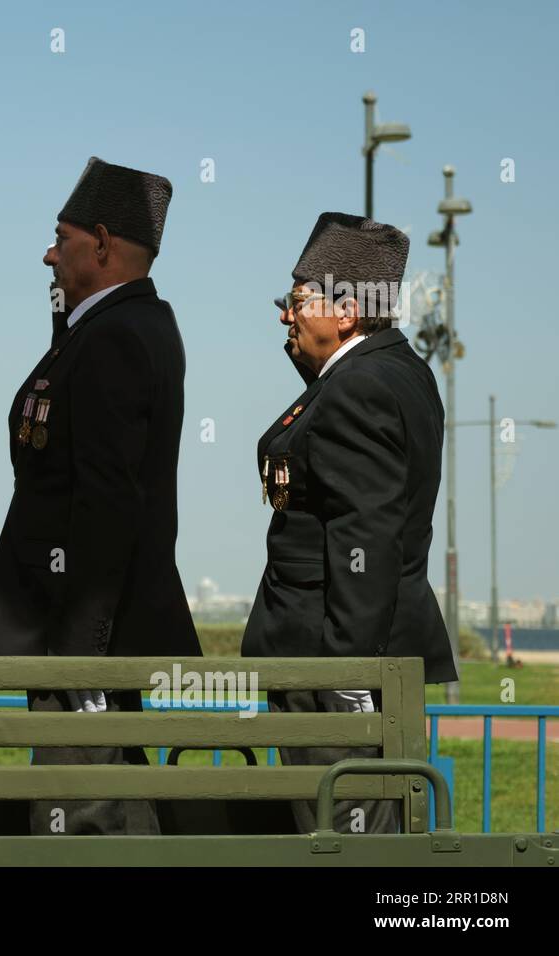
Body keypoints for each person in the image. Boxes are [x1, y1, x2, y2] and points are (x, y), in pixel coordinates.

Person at [0, 158, 201, 836]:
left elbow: (107, 505)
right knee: (109, 804)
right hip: (80, 634)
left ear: (101, 243)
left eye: (60, 236)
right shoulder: (104, 330)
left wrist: (78, 653)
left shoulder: (117, 338)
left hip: (80, 636)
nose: (48, 252)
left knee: (79, 821)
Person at [242, 212, 455, 834]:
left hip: (329, 661)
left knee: (342, 837)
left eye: (299, 299)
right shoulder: (396, 371)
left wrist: (346, 676)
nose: (285, 313)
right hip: (348, 655)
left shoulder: (357, 387)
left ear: (347, 312)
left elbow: (365, 538)